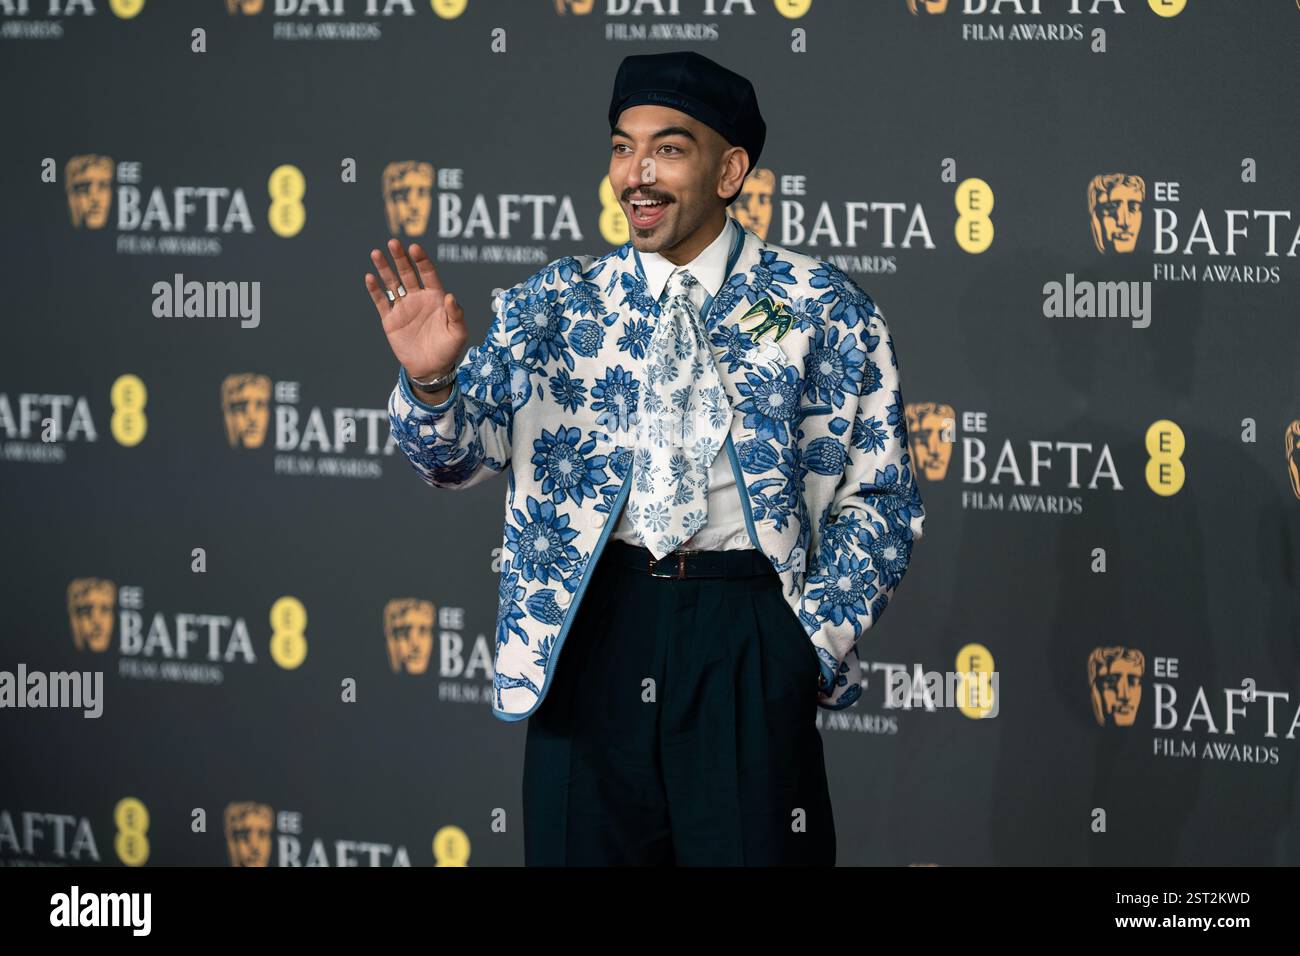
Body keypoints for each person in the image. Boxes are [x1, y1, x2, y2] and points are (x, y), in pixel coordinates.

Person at [364, 50, 926, 866]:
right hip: (593, 628)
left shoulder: (824, 309)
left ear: (730, 170)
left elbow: (881, 497)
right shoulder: (553, 306)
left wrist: (805, 642)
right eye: (623, 148)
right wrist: (431, 383)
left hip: (747, 634)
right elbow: (452, 461)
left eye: (669, 148)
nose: (638, 174)